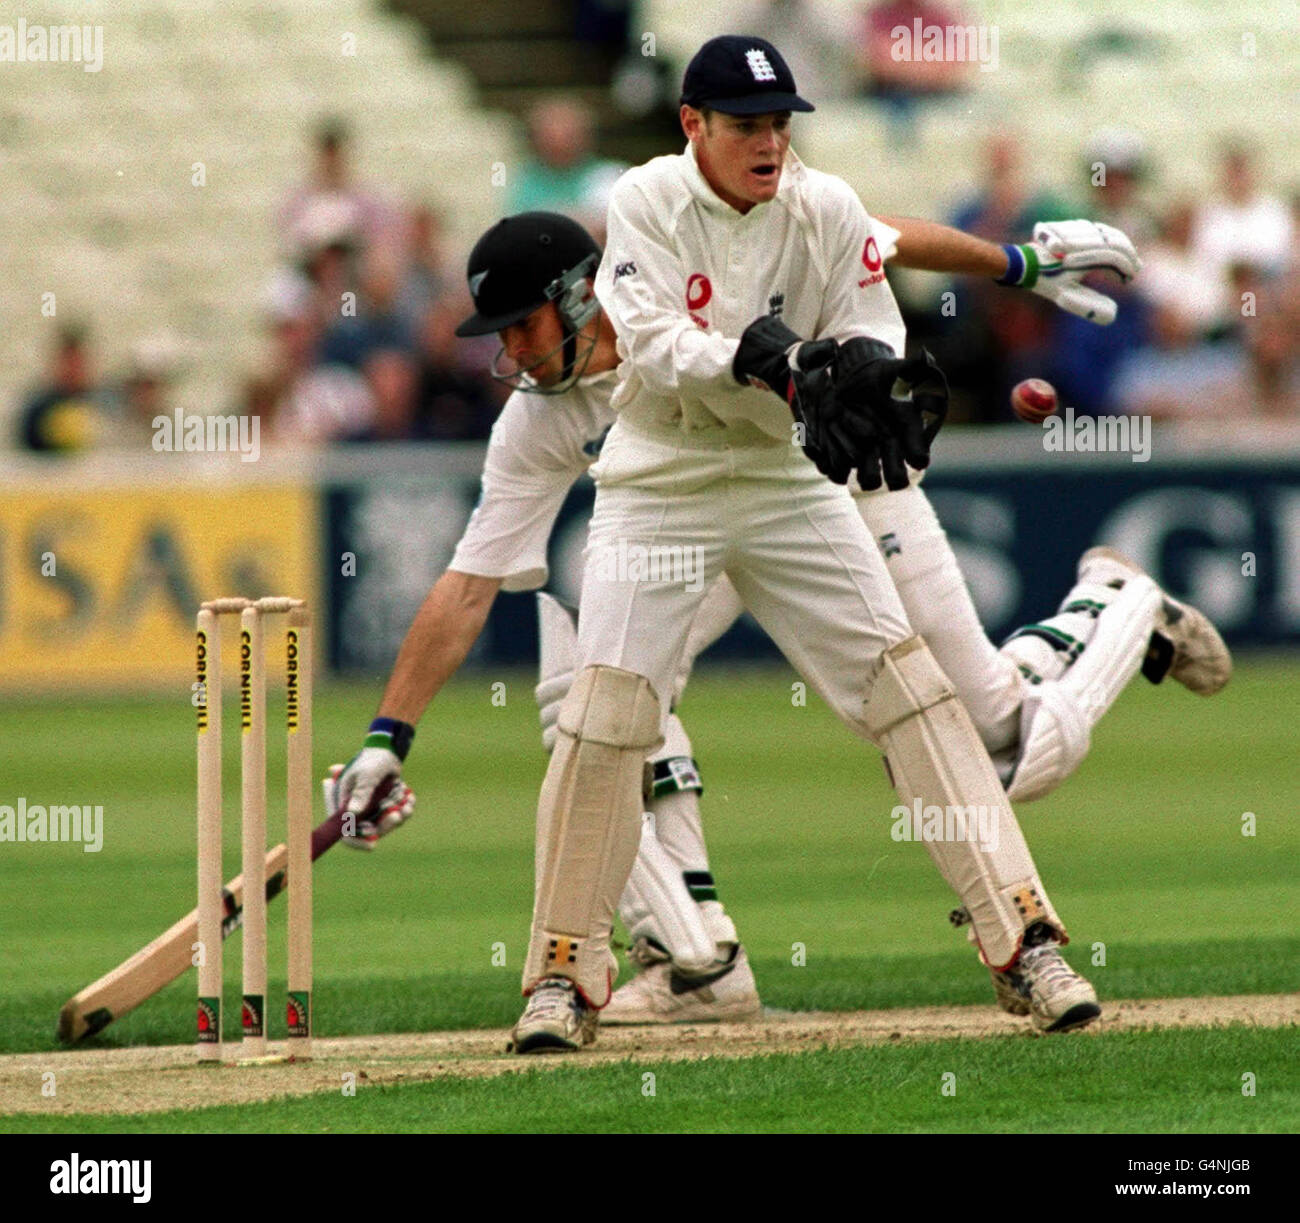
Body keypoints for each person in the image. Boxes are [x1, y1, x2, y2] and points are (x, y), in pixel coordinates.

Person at [323, 185, 1226, 1044]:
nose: (511, 354)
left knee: (1002, 747)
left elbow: (884, 235)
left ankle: (1115, 604)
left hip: (830, 489)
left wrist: (1018, 262)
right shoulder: (536, 418)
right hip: (676, 510)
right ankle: (694, 954)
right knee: (591, 703)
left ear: (577, 297)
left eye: (520, 326)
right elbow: (468, 583)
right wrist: (385, 736)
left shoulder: (690, 261)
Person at [505, 34, 1149, 1055]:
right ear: (693, 127)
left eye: (778, 124)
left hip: (783, 479)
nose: (767, 142)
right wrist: (783, 362)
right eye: (745, 125)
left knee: (912, 690)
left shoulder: (827, 206)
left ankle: (1025, 938)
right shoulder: (646, 200)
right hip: (662, 475)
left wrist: (855, 370)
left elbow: (872, 329)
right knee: (605, 713)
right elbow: (663, 347)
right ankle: (558, 972)